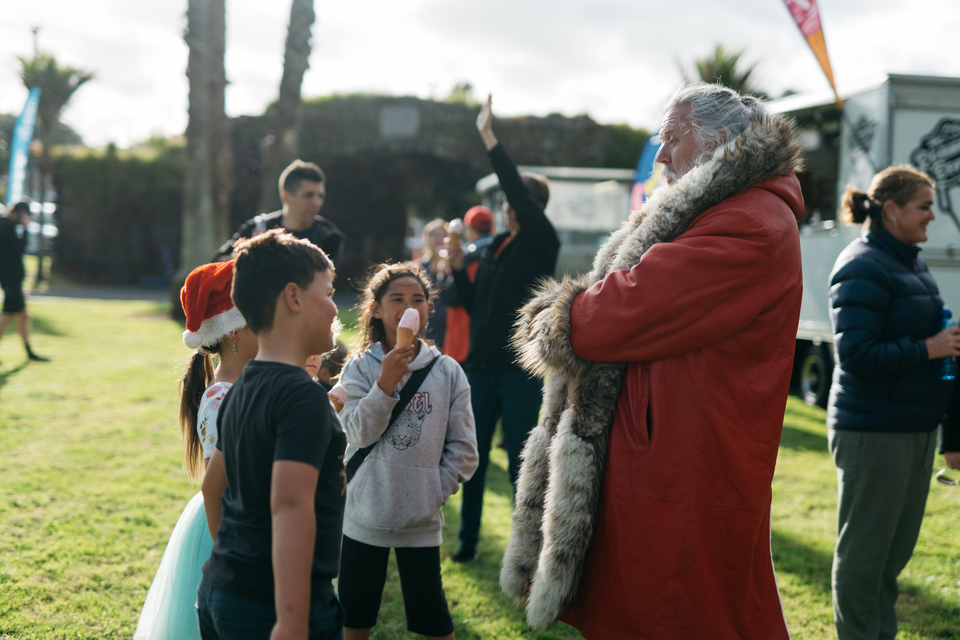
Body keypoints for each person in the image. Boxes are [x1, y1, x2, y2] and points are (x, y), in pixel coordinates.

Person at [500, 83, 805, 637]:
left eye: (671, 138)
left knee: (674, 612)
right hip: (665, 452)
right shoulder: (734, 209)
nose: (661, 154)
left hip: (681, 459)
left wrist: (557, 314)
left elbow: (613, 314)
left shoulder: (750, 223)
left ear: (719, 141)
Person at [827, 166, 960, 640]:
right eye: (924, 206)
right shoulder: (862, 263)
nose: (931, 216)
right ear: (891, 210)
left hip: (912, 430)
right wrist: (930, 347)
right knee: (865, 558)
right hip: (873, 432)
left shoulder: (911, 261)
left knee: (891, 556)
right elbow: (856, 355)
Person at [197, 230, 346, 640]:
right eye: (329, 293)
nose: (336, 308)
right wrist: (293, 620)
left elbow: (213, 485)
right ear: (293, 298)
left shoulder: (241, 386)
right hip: (273, 610)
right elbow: (290, 506)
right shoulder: (303, 397)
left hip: (222, 590)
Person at [336, 262, 478, 640]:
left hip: (421, 521)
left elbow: (464, 450)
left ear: (430, 309)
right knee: (354, 613)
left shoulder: (448, 372)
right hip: (364, 516)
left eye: (418, 298)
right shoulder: (360, 368)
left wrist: (433, 489)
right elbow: (354, 433)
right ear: (376, 310)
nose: (408, 305)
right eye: (396, 298)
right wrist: (384, 383)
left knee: (433, 616)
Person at [445, 95, 559, 563]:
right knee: (472, 463)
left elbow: (514, 188)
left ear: (529, 207)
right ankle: (468, 545)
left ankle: (526, 552)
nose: (508, 208)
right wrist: (455, 271)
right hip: (479, 372)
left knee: (518, 462)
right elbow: (476, 307)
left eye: (516, 202)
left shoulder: (541, 242)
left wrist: (490, 139)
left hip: (517, 376)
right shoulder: (493, 249)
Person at [135, 260, 257, 640]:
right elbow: (214, 484)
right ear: (233, 330)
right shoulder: (222, 396)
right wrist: (226, 551)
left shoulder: (253, 383)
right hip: (225, 527)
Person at [213, 160, 345, 264]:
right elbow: (216, 263)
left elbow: (315, 283)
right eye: (309, 195)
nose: (317, 202)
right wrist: (246, 252)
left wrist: (263, 254)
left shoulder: (329, 238)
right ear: (286, 197)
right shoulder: (257, 227)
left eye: (320, 196)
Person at [439, 206, 495, 364]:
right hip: (488, 342)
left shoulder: (465, 258)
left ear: (469, 228)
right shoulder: (499, 255)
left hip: (463, 339)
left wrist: (446, 269)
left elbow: (447, 296)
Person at [0, 201, 49, 362]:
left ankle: (29, 352)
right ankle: (29, 352)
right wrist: (26, 229)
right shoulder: (6, 226)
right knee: (8, 315)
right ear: (20, 213)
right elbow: (19, 249)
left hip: (11, 278)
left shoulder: (8, 225)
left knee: (23, 315)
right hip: (10, 278)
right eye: (25, 215)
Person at [415, 219, 450, 349]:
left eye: (444, 236)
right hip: (427, 326)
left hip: (449, 327)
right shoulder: (419, 267)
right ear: (427, 239)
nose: (439, 240)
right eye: (435, 236)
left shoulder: (455, 267)